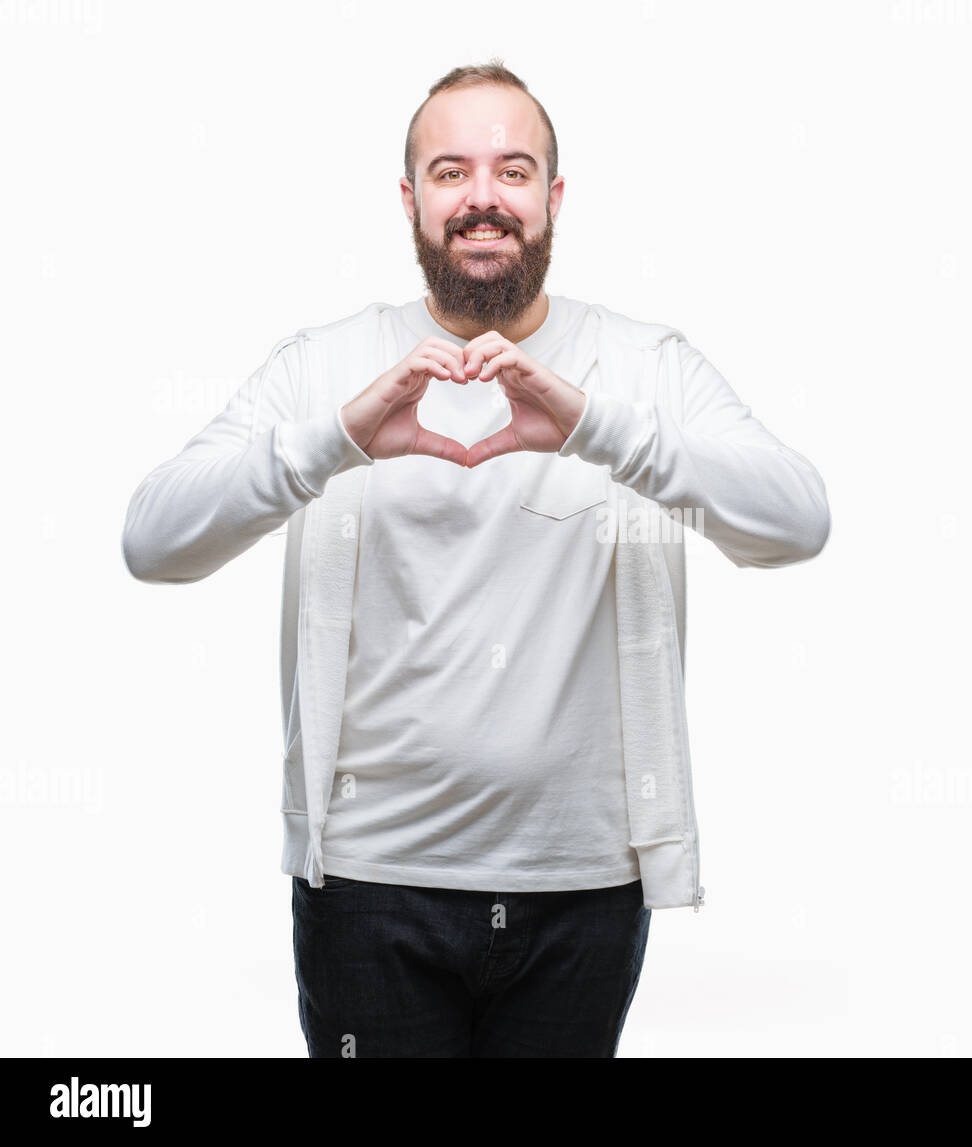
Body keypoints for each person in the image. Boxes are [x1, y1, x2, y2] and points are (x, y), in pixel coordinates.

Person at [121, 59, 831, 1058]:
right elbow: (151, 541)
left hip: (582, 888)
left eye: (513, 169)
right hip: (368, 887)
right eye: (451, 172)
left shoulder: (641, 368)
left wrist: (600, 430)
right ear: (411, 202)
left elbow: (798, 520)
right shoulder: (325, 364)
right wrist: (335, 441)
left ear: (553, 196)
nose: (484, 198)